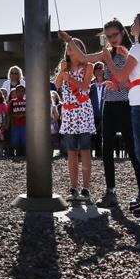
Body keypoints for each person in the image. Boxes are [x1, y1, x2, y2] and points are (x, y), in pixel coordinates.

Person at [97, 13, 140, 218]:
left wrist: (108, 59)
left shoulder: (138, 48)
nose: (131, 25)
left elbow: (120, 76)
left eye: (135, 23)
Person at [56, 34, 97, 203]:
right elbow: (57, 85)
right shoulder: (63, 67)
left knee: (85, 150)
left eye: (74, 45)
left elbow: (86, 86)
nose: (70, 48)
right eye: (69, 46)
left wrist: (70, 78)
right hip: (68, 113)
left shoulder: (89, 66)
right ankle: (73, 188)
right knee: (71, 151)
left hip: (83, 111)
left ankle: (86, 189)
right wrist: (62, 72)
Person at [8, 85, 27, 157]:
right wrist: (17, 116)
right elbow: (9, 113)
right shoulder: (12, 102)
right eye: (18, 91)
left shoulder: (26, 101)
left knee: (24, 140)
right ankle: (16, 155)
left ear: (24, 92)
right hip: (15, 125)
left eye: (22, 91)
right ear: (16, 92)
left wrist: (22, 115)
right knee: (15, 140)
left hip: (25, 125)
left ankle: (24, 155)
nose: (20, 92)